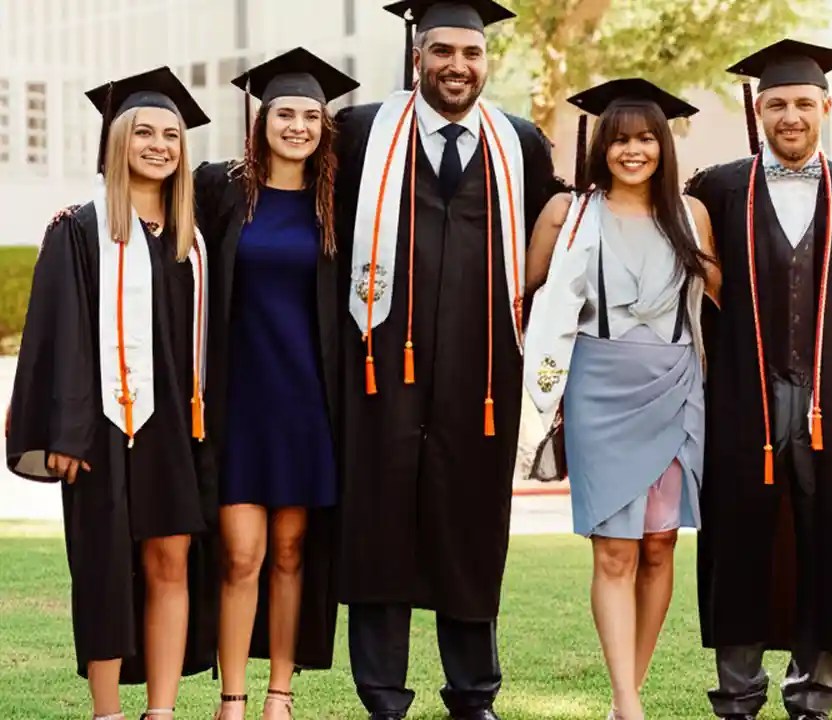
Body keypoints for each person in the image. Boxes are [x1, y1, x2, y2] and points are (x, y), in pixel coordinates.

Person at [332, 1, 563, 718]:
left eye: (471, 52)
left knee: (470, 519)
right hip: (377, 362)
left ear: (486, 60)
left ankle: (473, 694)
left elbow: (562, 231)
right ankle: (382, 695)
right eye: (443, 52)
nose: (458, 66)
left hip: (481, 371)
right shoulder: (361, 132)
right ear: (417, 57)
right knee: (377, 517)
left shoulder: (518, 141)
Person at [5, 67, 217, 720]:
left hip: (174, 433)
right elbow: (56, 333)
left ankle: (161, 711)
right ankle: (107, 713)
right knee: (100, 570)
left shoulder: (193, 242)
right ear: (118, 141)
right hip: (100, 430)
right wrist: (66, 435)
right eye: (145, 132)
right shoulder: (80, 229)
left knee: (170, 565)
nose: (159, 144)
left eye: (172, 135)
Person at [685, 40, 832, 720]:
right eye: (777, 103)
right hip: (744, 397)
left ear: (826, 106)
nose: (790, 115)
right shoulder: (718, 186)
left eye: (803, 102)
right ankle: (737, 696)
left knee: (828, 539)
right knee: (741, 539)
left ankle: (814, 697)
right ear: (757, 108)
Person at [523, 78, 718, 720]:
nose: (632, 151)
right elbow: (523, 298)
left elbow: (721, 297)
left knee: (660, 544)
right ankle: (629, 703)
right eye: (620, 139)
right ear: (601, 146)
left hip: (673, 381)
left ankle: (628, 691)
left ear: (663, 145)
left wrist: (707, 265)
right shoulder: (568, 213)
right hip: (598, 384)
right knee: (615, 548)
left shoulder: (691, 215)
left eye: (645, 139)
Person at [194, 48, 359, 720]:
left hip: (307, 403)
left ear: (324, 125)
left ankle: (279, 694)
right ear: (262, 122)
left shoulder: (339, 202)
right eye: (284, 113)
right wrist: (77, 221)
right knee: (241, 554)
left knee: (291, 553)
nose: (297, 125)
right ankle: (232, 697)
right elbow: (155, 218)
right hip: (240, 402)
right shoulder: (220, 189)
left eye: (310, 116)